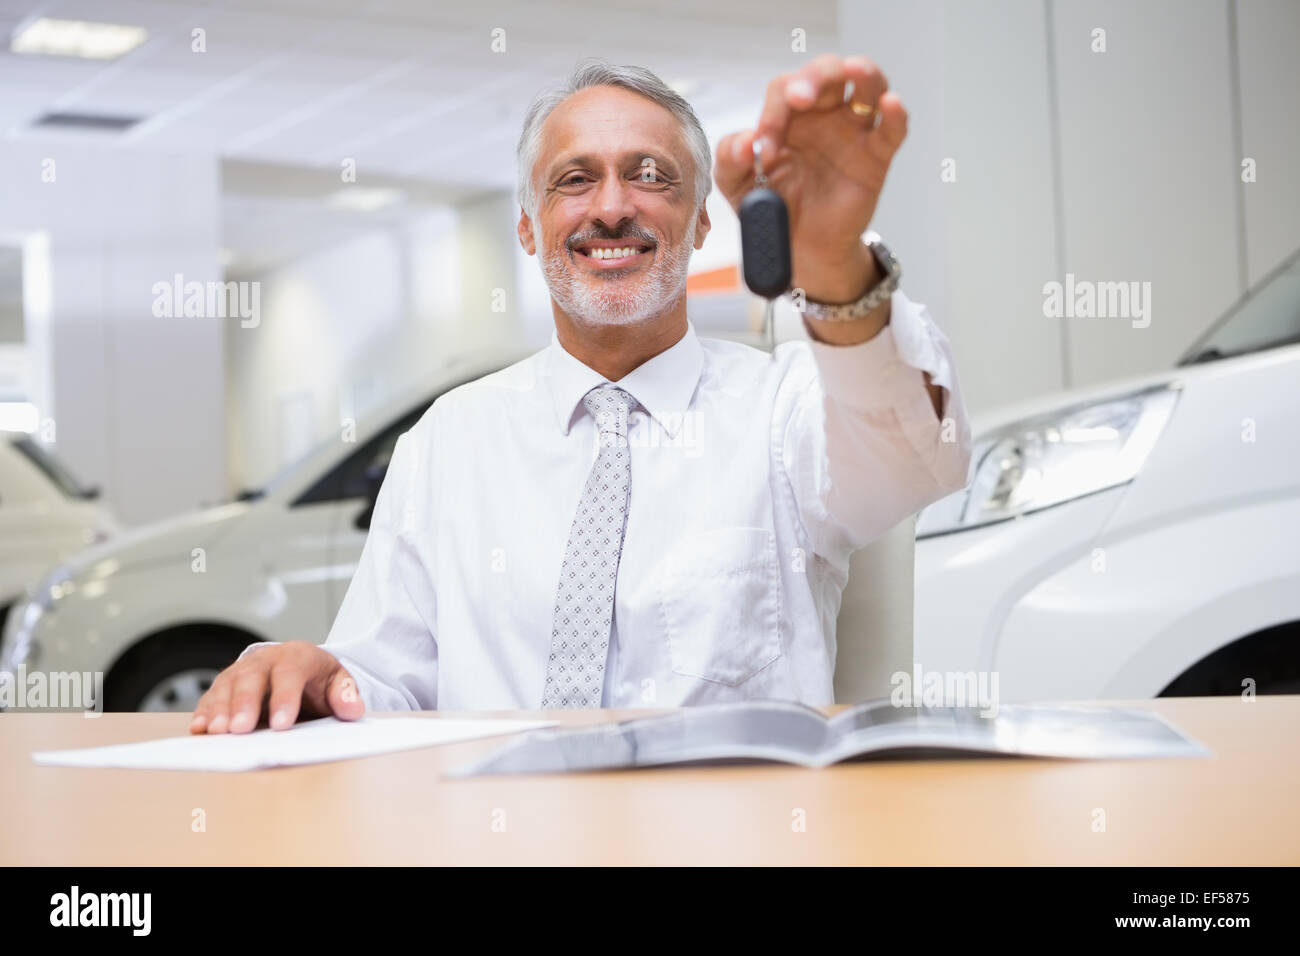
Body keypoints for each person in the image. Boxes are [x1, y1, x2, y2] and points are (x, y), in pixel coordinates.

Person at [190, 54, 972, 734]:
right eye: (574, 180)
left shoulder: (787, 407)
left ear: (702, 223)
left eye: (650, 176)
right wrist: (320, 674)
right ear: (529, 227)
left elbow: (911, 460)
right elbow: (390, 681)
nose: (611, 207)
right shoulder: (448, 441)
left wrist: (834, 261)